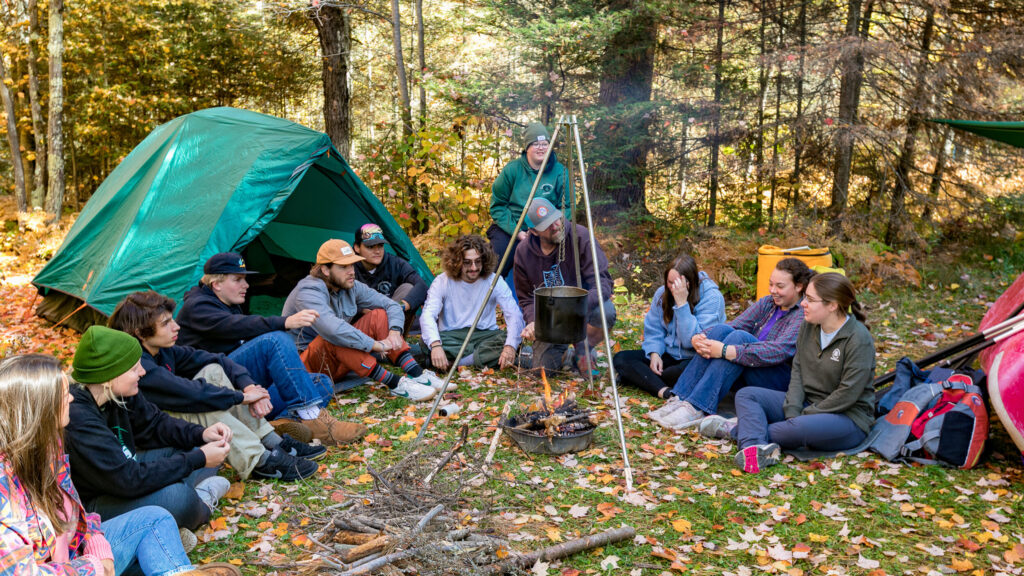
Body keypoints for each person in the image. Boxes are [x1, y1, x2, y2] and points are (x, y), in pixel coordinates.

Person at [0, 354, 241, 576]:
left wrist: (98, 548)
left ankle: (170, 565)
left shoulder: (49, 447)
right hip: (74, 564)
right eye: (64, 395)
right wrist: (93, 566)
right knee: (178, 497)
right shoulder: (5, 488)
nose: (71, 398)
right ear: (39, 407)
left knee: (157, 517)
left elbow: (79, 512)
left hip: (77, 553)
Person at [108, 292, 323, 483]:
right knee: (203, 405)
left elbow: (217, 359)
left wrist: (247, 387)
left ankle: (271, 441)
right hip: (151, 441)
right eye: (166, 323)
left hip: (173, 424)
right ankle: (259, 460)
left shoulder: (162, 350)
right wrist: (238, 397)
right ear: (140, 333)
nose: (176, 326)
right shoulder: (137, 365)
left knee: (212, 371)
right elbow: (186, 392)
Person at [176, 252, 365, 446]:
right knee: (274, 340)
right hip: (212, 391)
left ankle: (282, 423)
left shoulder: (226, 302)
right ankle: (314, 419)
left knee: (320, 381)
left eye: (245, 279)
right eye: (238, 280)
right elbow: (237, 325)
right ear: (216, 284)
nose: (246, 285)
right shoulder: (197, 307)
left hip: (239, 381)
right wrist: (285, 322)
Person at [700, 273, 876, 474]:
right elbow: (799, 371)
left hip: (847, 417)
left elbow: (848, 394)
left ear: (832, 305)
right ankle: (753, 448)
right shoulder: (809, 327)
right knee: (747, 395)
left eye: (810, 299)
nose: (803, 304)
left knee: (789, 429)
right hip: (808, 404)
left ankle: (736, 431)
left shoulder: (858, 339)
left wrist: (801, 416)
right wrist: (792, 410)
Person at [64, 326, 233, 534]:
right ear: (110, 374)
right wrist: (197, 459)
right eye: (134, 369)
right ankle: (200, 504)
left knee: (199, 447)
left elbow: (155, 423)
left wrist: (201, 433)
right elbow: (127, 480)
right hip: (97, 504)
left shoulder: (119, 392)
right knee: (177, 497)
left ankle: (175, 507)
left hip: (127, 473)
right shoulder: (78, 417)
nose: (142, 373)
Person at [650, 258, 815, 430]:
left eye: (780, 286)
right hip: (750, 366)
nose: (773, 290)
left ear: (799, 286)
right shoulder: (768, 303)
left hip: (778, 379)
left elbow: (778, 351)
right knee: (721, 330)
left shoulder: (802, 314)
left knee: (740, 338)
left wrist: (726, 351)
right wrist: (700, 337)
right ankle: (681, 398)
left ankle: (697, 406)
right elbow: (734, 325)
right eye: (771, 284)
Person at [282, 239, 445, 402]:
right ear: (325, 269)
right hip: (306, 368)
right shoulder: (309, 290)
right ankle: (395, 383)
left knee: (379, 314)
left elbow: (391, 305)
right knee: (334, 335)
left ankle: (416, 373)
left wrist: (395, 331)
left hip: (338, 360)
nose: (351, 271)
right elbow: (332, 329)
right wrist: (375, 345)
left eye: (352, 265)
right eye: (343, 267)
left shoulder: (350, 286)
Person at [514, 198, 615, 375]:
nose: (555, 226)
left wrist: (572, 307)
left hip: (582, 312)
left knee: (605, 311)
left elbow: (603, 283)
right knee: (542, 371)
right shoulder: (523, 252)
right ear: (533, 231)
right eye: (547, 225)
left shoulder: (580, 237)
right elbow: (526, 297)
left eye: (556, 218)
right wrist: (533, 321)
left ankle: (583, 349)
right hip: (550, 321)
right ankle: (568, 356)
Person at [612, 254, 726, 399]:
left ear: (689, 282)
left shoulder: (712, 298)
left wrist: (682, 304)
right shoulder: (662, 293)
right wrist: (654, 353)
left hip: (695, 358)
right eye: (669, 282)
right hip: (669, 354)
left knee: (672, 374)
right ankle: (664, 391)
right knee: (621, 359)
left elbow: (691, 341)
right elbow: (654, 330)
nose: (672, 288)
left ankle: (641, 378)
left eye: (677, 283)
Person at [420, 234, 525, 371]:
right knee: (425, 342)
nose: (474, 267)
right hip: (452, 337)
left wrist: (510, 346)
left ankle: (455, 363)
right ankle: (480, 360)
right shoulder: (442, 281)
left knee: (514, 338)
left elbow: (514, 314)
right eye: (467, 262)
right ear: (457, 262)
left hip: (486, 336)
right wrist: (436, 345)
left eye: (478, 261)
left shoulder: (494, 280)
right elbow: (427, 315)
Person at [488, 121, 570, 280]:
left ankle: (554, 296)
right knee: (496, 261)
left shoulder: (560, 172)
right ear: (527, 147)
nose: (541, 148)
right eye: (536, 144)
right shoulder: (512, 170)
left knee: (562, 259)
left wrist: (551, 227)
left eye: (545, 144)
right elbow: (498, 206)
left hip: (547, 227)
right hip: (512, 227)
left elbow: (568, 206)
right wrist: (517, 232)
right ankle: (489, 295)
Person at [353, 223, 428, 333]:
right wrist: (363, 311)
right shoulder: (348, 266)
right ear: (357, 247)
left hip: (391, 319)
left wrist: (398, 306)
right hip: (359, 324)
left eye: (380, 246)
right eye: (370, 246)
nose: (377, 251)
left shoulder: (395, 263)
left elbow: (422, 286)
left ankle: (396, 338)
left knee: (408, 287)